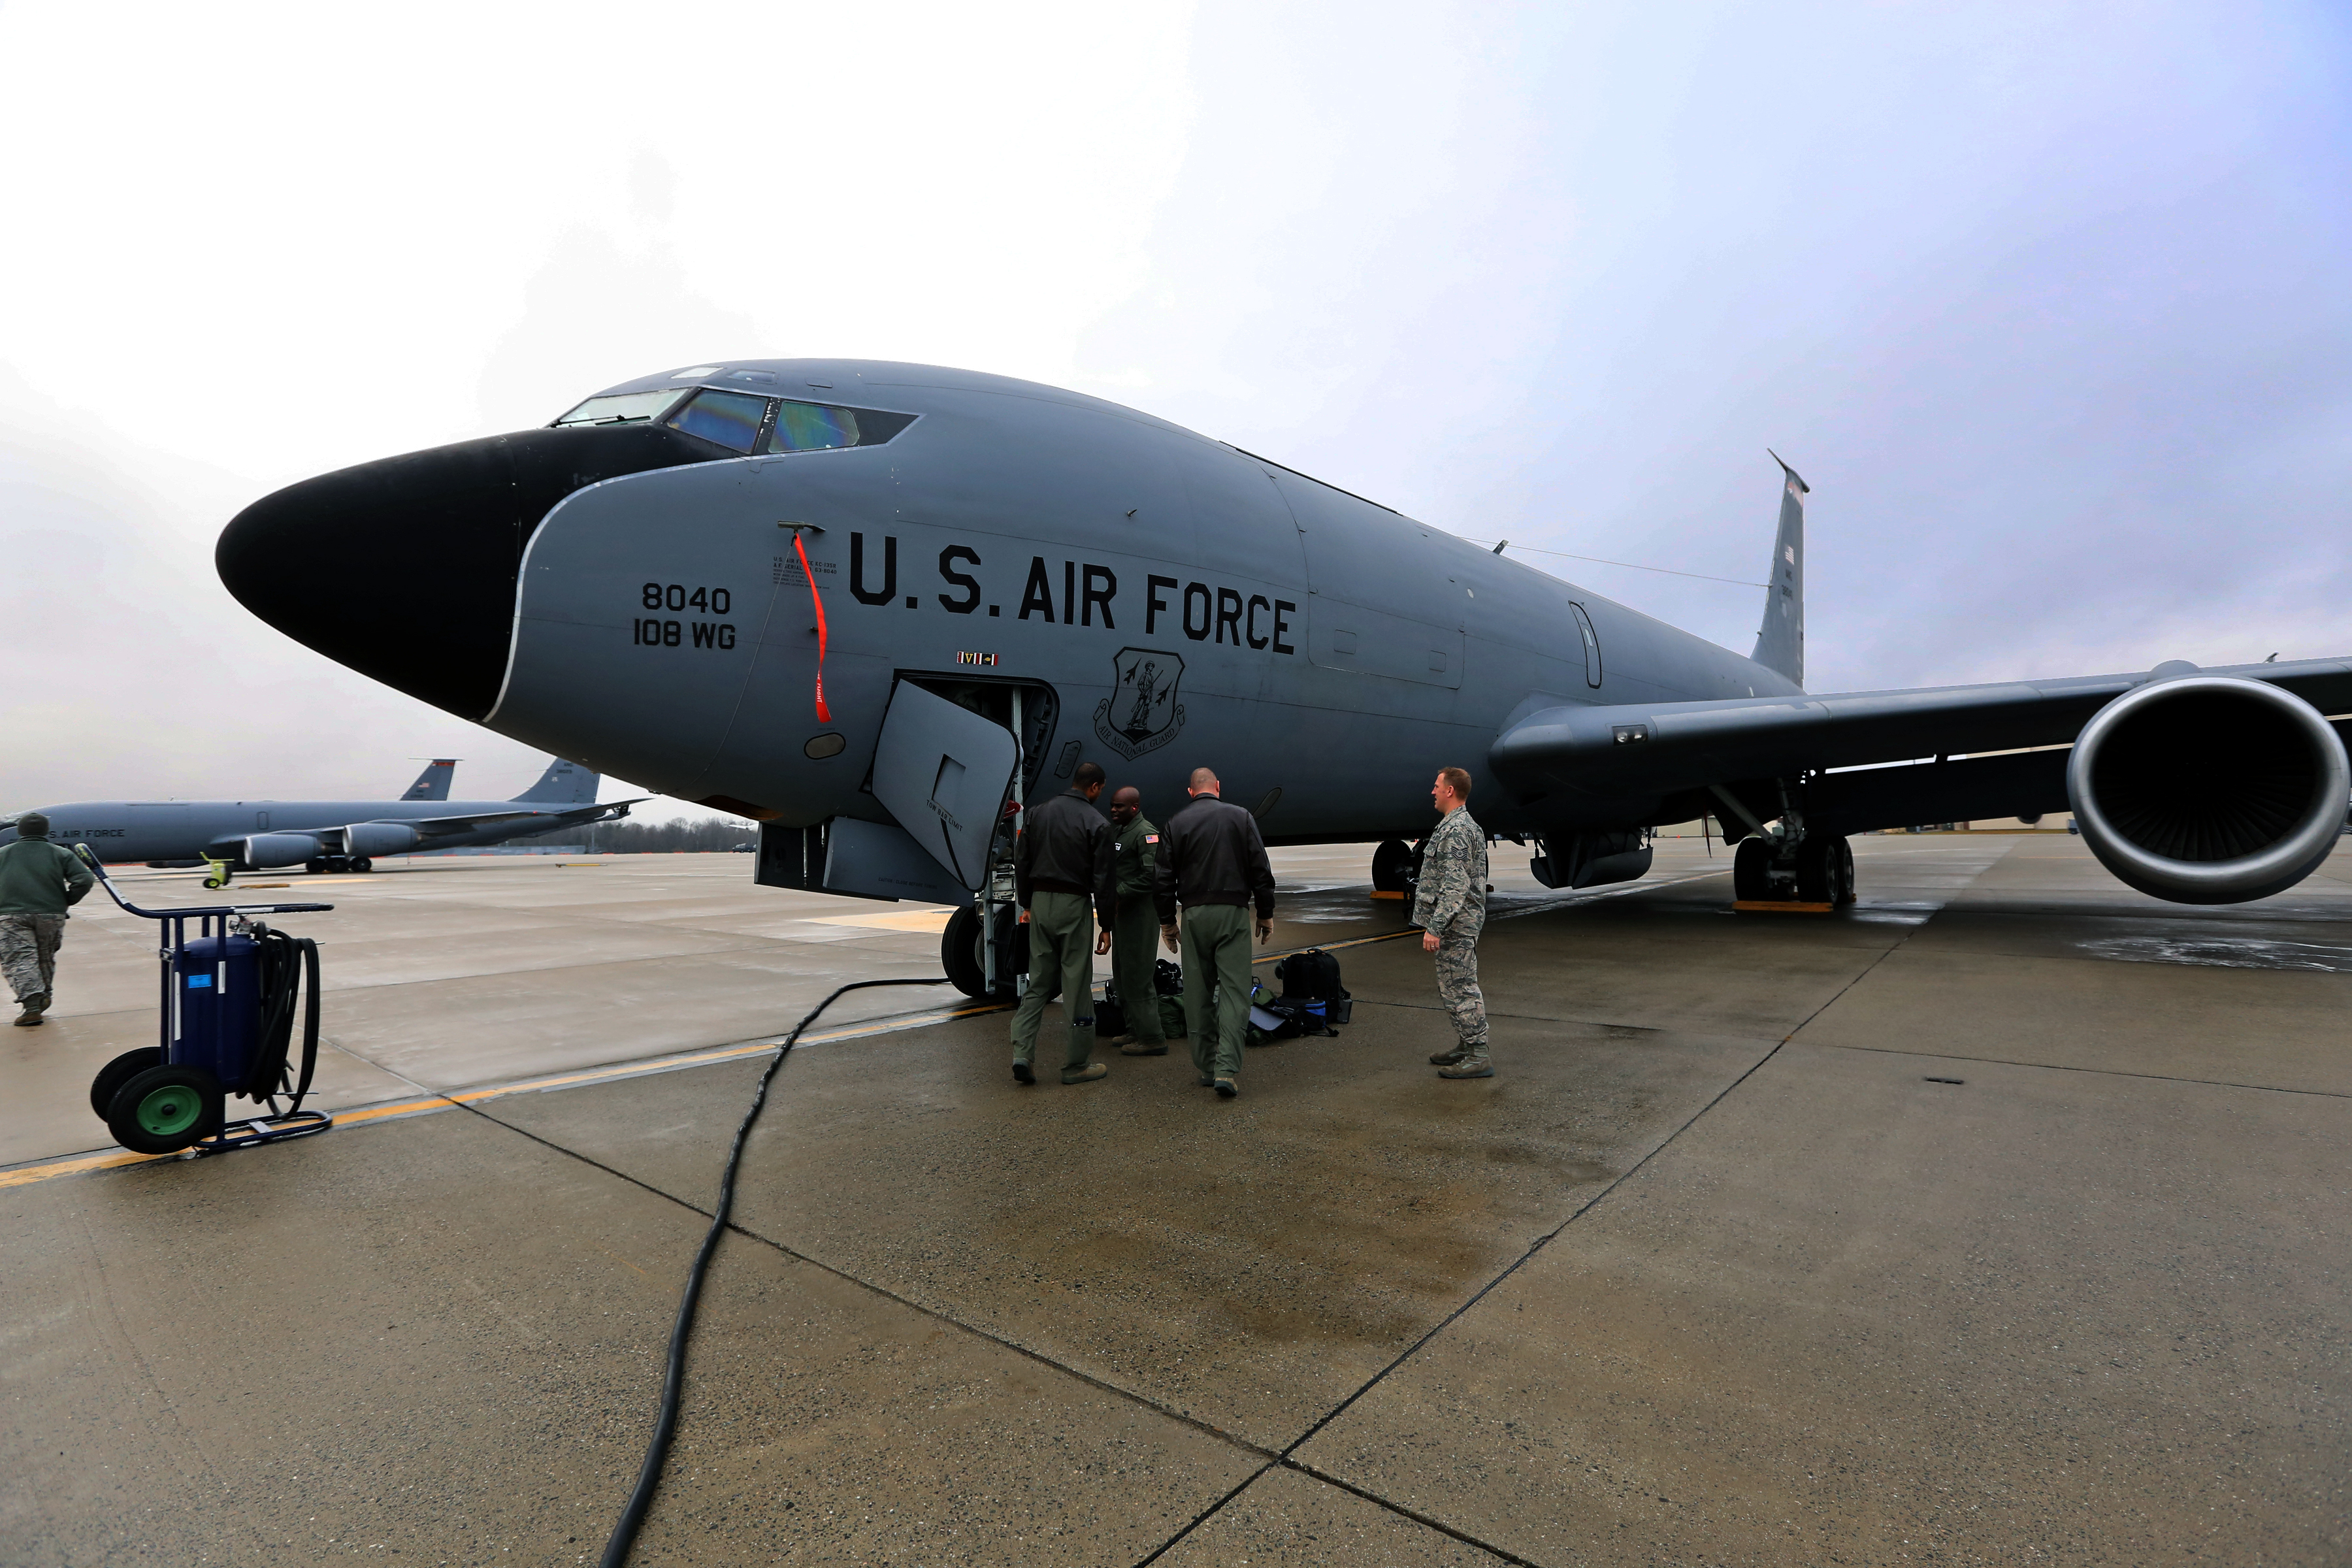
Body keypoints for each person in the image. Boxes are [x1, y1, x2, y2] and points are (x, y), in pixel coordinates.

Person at [1154, 766, 1275, 1098]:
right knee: (1235, 992)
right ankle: (1226, 1069)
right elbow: (1261, 869)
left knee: (1197, 993)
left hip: (1194, 915)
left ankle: (1207, 1066)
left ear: (1190, 791)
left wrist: (1168, 922)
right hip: (1232, 913)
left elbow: (1162, 878)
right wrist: (1265, 913)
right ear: (1218, 787)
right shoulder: (1241, 817)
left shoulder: (1175, 823)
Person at [1009, 761, 1116, 1085]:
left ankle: (1022, 1053)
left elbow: (1022, 861)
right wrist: (1106, 925)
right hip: (1074, 904)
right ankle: (1076, 1065)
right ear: (1094, 787)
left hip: (1041, 901)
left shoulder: (1037, 813)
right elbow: (1104, 880)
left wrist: (1028, 904)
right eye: (1101, 789)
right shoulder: (1097, 823)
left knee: (1039, 982)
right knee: (1077, 983)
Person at [1415, 767, 1492, 1078]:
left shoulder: (1457, 829)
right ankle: (1466, 1044)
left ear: (1450, 790)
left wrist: (1435, 927)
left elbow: (1455, 885)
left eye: (1437, 786)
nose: (1432, 792)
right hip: (1459, 923)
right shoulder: (1458, 825)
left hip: (1457, 925)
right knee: (1452, 986)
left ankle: (1478, 1055)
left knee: (1461, 988)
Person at [0, 812, 96, 1027]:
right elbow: (85, 879)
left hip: (11, 915)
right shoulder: (61, 853)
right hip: (51, 914)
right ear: (46, 831)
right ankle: (44, 996)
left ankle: (32, 1007)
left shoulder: (3, 853)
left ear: (20, 831)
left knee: (19, 959)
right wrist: (67, 900)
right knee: (45, 957)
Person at [1103, 787, 1169, 1056]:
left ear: (1134, 807)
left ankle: (1153, 1037)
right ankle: (1135, 1028)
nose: (1113, 810)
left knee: (1139, 976)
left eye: (1119, 806)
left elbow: (1152, 876)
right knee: (1122, 974)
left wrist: (1119, 892)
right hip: (1123, 915)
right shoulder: (1120, 831)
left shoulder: (1145, 834)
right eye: (1112, 805)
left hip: (1139, 916)